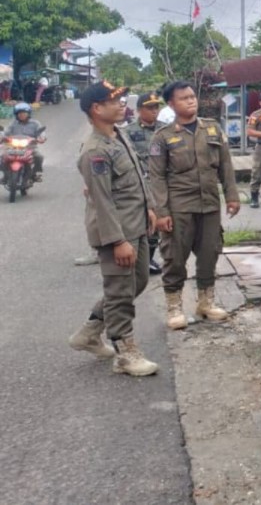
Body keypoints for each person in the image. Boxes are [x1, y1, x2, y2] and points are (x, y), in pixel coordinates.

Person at [68, 81, 158, 376]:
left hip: (136, 224)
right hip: (116, 231)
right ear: (96, 109)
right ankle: (125, 353)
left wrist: (150, 208)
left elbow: (135, 179)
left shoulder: (118, 135)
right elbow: (102, 200)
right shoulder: (94, 150)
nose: (122, 104)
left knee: (139, 281)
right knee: (120, 292)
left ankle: (90, 331)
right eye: (114, 100)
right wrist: (117, 241)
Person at [148, 81, 240, 331]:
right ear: (171, 104)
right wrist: (162, 212)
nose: (191, 101)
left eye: (192, 96)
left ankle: (206, 302)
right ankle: (174, 306)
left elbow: (226, 165)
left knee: (210, 253)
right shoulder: (163, 137)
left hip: (209, 204)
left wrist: (232, 195)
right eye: (183, 98)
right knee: (175, 257)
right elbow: (156, 177)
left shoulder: (211, 129)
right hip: (179, 207)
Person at [126, 93, 167, 274]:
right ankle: (145, 260)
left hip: (164, 181)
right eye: (150, 108)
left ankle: (153, 258)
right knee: (149, 223)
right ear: (139, 110)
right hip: (142, 182)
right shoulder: (128, 132)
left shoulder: (166, 129)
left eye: (156, 107)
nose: (154, 111)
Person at [3, 102, 46, 180]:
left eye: (23, 113)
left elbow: (41, 132)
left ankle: (34, 173)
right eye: (19, 113)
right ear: (16, 115)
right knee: (2, 157)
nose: (21, 115)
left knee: (39, 157)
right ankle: (6, 175)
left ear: (28, 114)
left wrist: (41, 138)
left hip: (30, 147)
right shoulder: (13, 123)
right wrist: (2, 137)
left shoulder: (35, 123)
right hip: (13, 147)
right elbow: (6, 132)